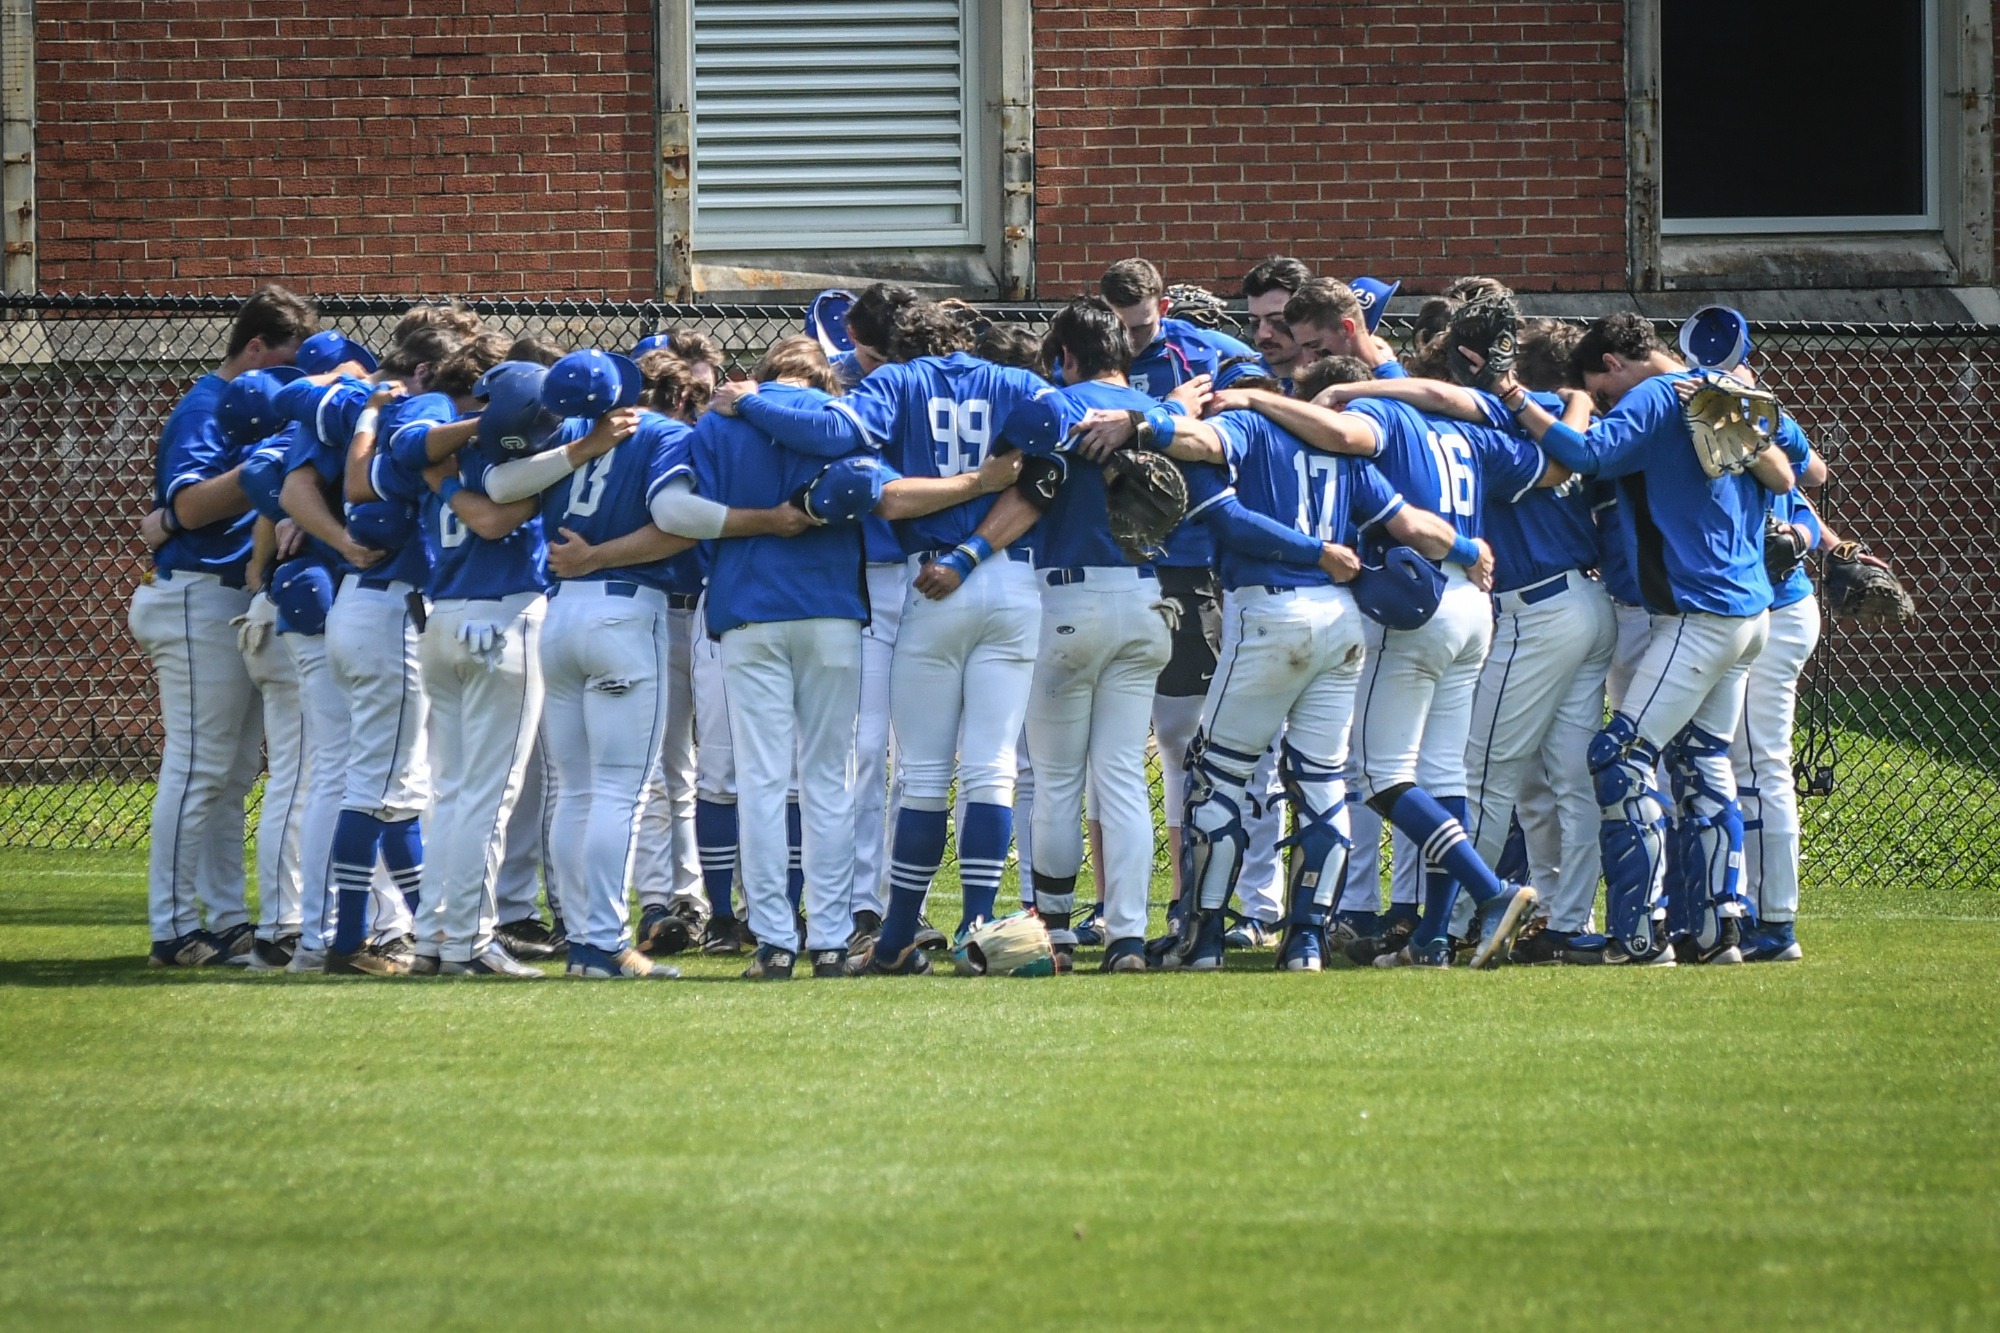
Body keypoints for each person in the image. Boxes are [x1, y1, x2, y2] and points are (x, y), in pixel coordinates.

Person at [712, 300, 1049, 974]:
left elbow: (869, 474)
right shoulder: (1012, 381)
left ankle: (895, 936)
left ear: (900, 347)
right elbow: (1052, 459)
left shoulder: (897, 381)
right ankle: (979, 927)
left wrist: (750, 402)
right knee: (994, 766)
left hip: (929, 580)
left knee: (921, 773)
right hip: (1009, 576)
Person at [1487, 312, 1797, 965]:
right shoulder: (1730, 388)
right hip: (1749, 613)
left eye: (1598, 388)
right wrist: (1727, 415)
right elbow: (1798, 467)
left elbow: (1588, 454)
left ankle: (1638, 936)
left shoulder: (1655, 395)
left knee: (1619, 755)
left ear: (1613, 367)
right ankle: (1718, 935)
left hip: (1698, 613)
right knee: (1703, 762)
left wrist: (1516, 398)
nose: (1603, 401)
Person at [130, 284, 315, 967]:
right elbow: (187, 503)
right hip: (194, 593)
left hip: (231, 594)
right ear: (256, 346)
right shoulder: (206, 404)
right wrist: (261, 469)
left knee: (235, 768)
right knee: (199, 764)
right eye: (283, 361)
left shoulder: (266, 405)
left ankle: (230, 918)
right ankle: (173, 926)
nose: (289, 379)